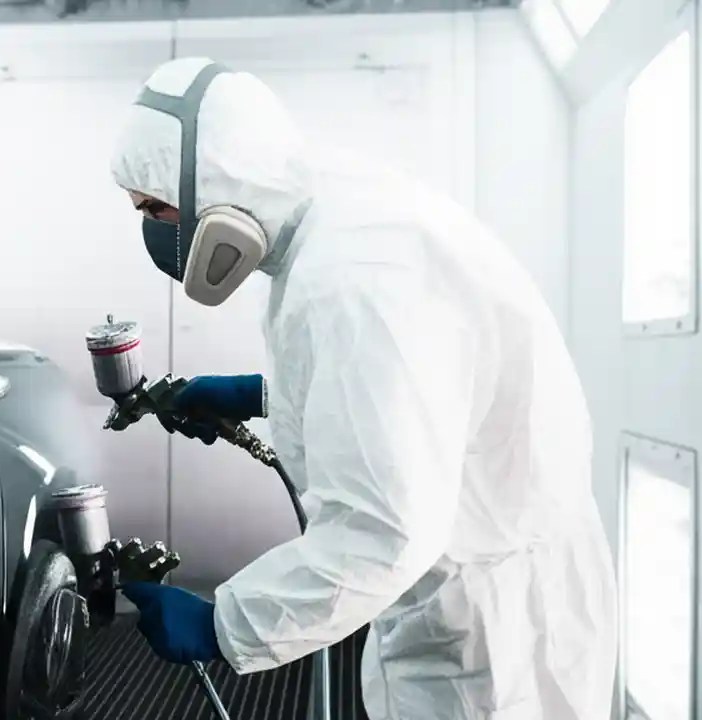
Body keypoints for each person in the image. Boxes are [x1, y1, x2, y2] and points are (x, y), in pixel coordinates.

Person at [110, 57, 617, 720]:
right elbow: (405, 390)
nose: (152, 229)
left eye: (155, 206)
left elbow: (385, 530)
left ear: (211, 180)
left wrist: (224, 626)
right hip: (462, 589)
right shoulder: (328, 212)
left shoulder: (355, 275)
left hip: (494, 641)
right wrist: (261, 395)